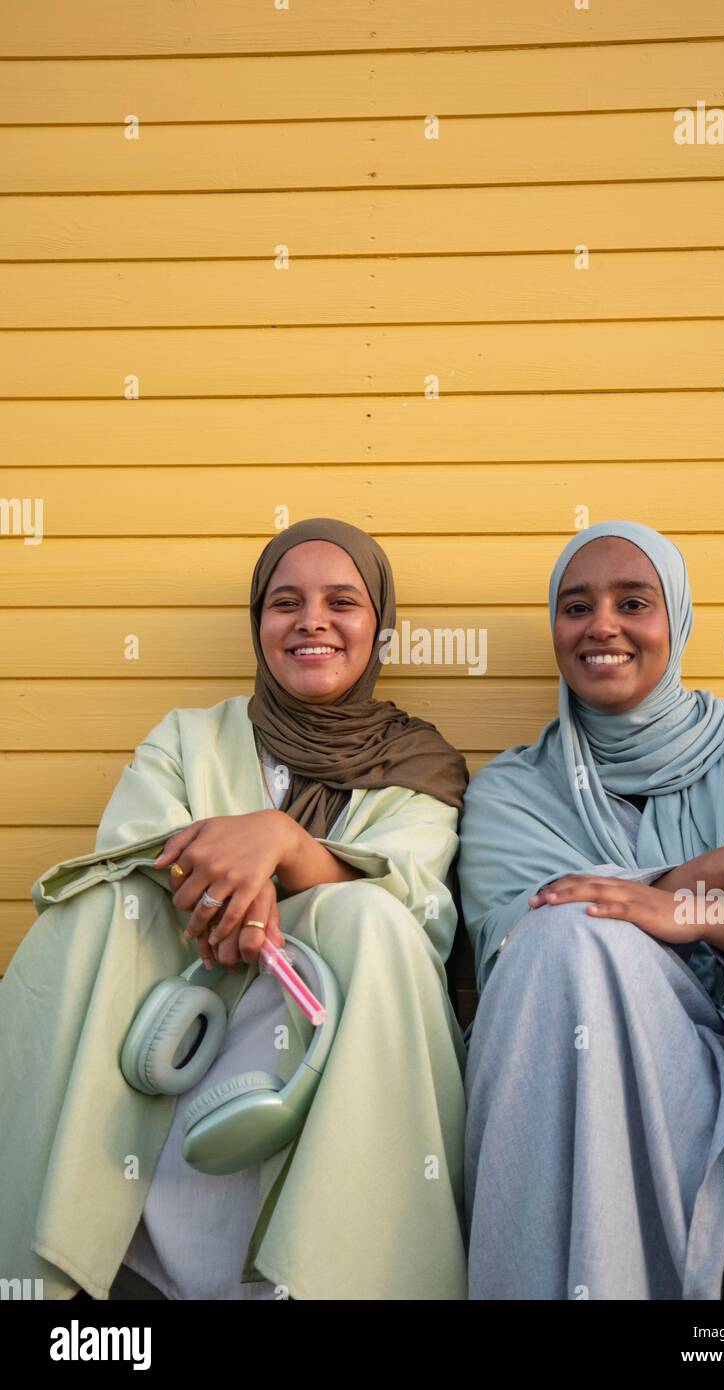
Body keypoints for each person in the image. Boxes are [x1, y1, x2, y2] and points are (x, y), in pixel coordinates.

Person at [0, 517, 470, 1300]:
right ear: (258, 626)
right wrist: (238, 878)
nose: (312, 620)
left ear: (379, 626)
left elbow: (416, 903)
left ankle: (328, 1278)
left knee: (371, 921)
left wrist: (279, 843)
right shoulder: (189, 739)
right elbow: (137, 865)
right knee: (98, 908)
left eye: (341, 602)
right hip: (177, 1019)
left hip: (332, 1031)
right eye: (285, 602)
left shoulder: (418, 761)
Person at [456, 519, 724, 1300]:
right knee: (562, 938)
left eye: (632, 602)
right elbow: (531, 938)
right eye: (576, 607)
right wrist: (716, 871)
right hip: (617, 1082)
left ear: (675, 619)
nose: (602, 625)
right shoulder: (512, 792)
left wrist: (698, 907)